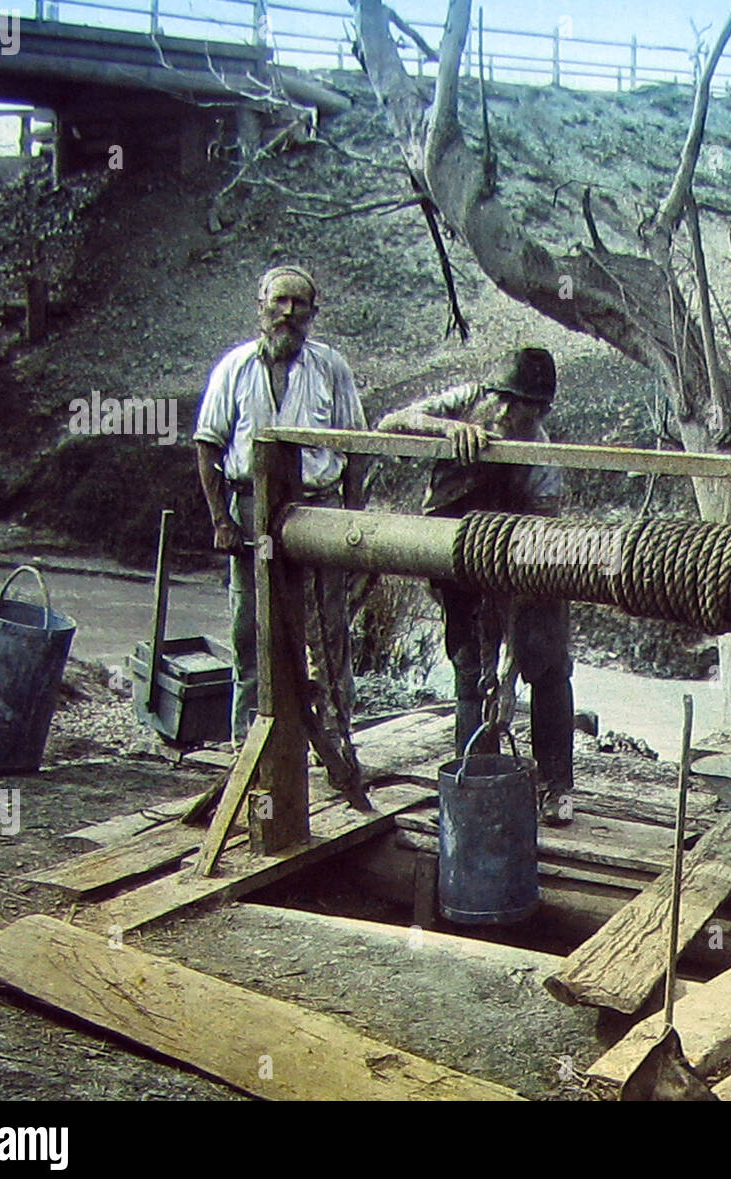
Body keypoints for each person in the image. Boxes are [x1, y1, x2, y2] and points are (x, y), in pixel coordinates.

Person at [378, 348, 575, 820]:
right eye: (501, 399)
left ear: (541, 412)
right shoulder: (468, 401)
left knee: (544, 667)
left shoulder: (541, 466)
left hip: (527, 560)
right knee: (470, 672)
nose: (505, 413)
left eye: (520, 406)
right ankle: (476, 783)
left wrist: (509, 671)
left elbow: (540, 547)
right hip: (458, 555)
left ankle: (556, 786)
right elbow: (390, 423)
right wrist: (446, 429)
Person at [193, 265, 366, 776]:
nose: (288, 313)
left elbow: (356, 447)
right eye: (279, 302)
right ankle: (249, 746)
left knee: (328, 630)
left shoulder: (331, 368)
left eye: (299, 304)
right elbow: (207, 446)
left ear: (313, 312)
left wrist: (352, 522)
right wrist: (221, 520)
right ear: (261, 306)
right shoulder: (234, 368)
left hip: (318, 510)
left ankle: (338, 741)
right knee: (251, 628)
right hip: (252, 511)